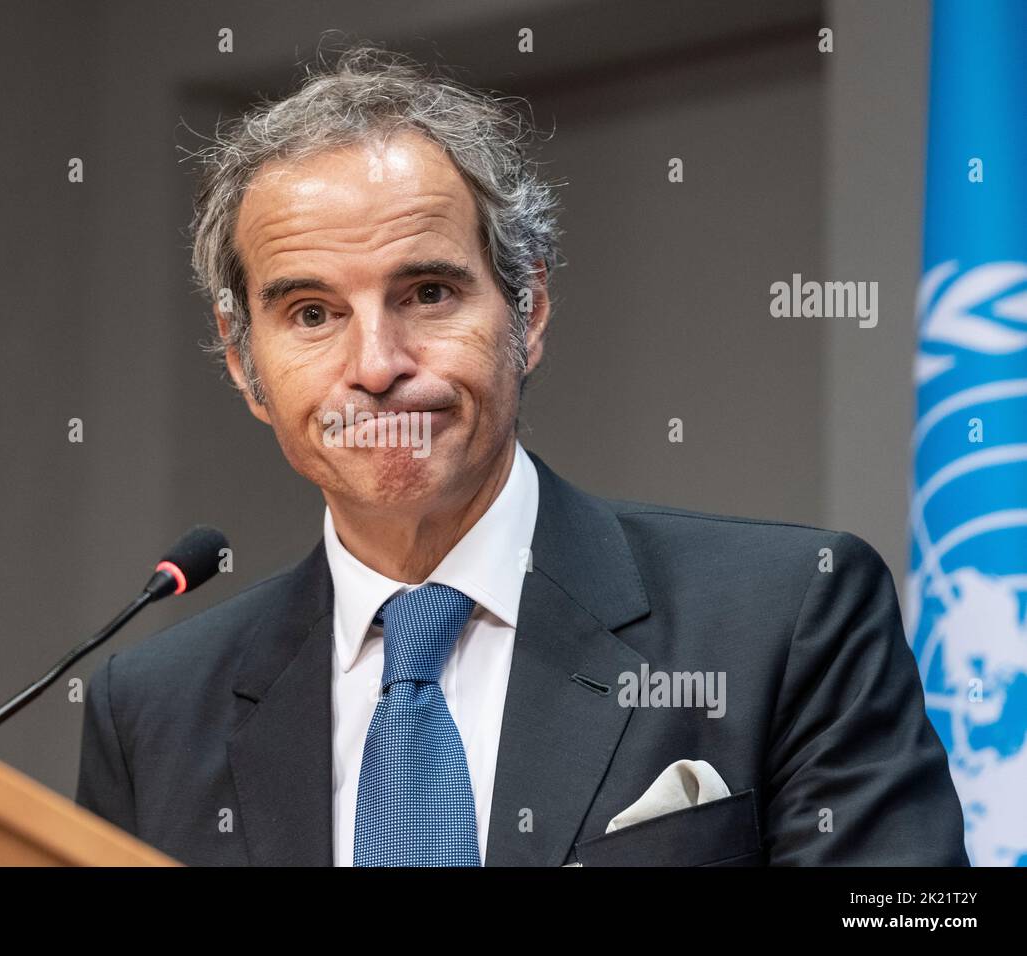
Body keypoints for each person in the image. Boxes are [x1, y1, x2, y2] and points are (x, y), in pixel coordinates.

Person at [75, 45, 968, 866]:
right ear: (244, 362)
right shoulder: (151, 712)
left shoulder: (788, 618)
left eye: (428, 292)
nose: (377, 367)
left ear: (527, 311)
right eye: (311, 313)